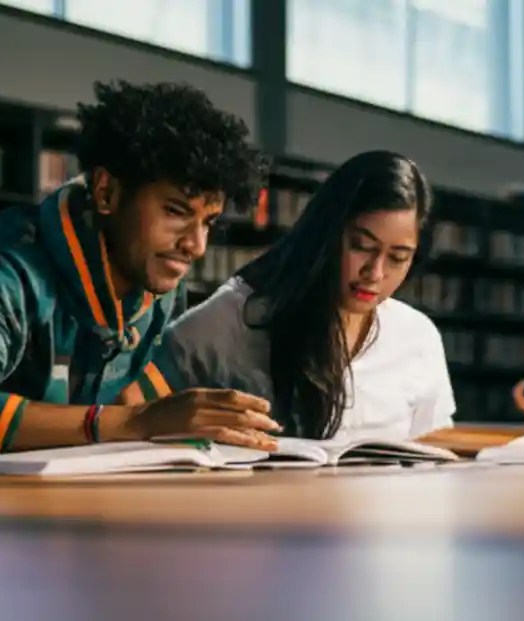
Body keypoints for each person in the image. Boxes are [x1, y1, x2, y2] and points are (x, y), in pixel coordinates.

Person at [0, 79, 280, 465]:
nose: (196, 246)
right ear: (107, 191)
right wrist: (131, 421)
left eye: (207, 222)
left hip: (43, 514)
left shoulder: (160, 284)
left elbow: (125, 403)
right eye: (175, 211)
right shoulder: (5, 266)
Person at [122, 150, 456, 443]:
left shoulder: (417, 336)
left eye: (398, 258)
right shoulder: (236, 317)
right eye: (362, 247)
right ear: (327, 234)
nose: (375, 273)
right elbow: (128, 410)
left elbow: (433, 446)